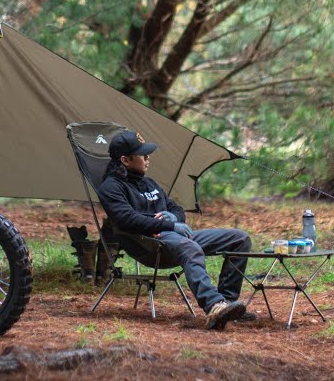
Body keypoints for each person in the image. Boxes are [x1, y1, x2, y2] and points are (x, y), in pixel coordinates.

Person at [96, 129, 254, 329]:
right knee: (190, 248)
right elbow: (127, 220)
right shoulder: (111, 187)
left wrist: (175, 217)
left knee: (239, 239)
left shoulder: (147, 182)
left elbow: (175, 207)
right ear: (125, 160)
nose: (148, 158)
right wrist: (168, 224)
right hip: (149, 245)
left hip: (173, 237)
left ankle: (227, 304)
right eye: (142, 154)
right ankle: (214, 306)